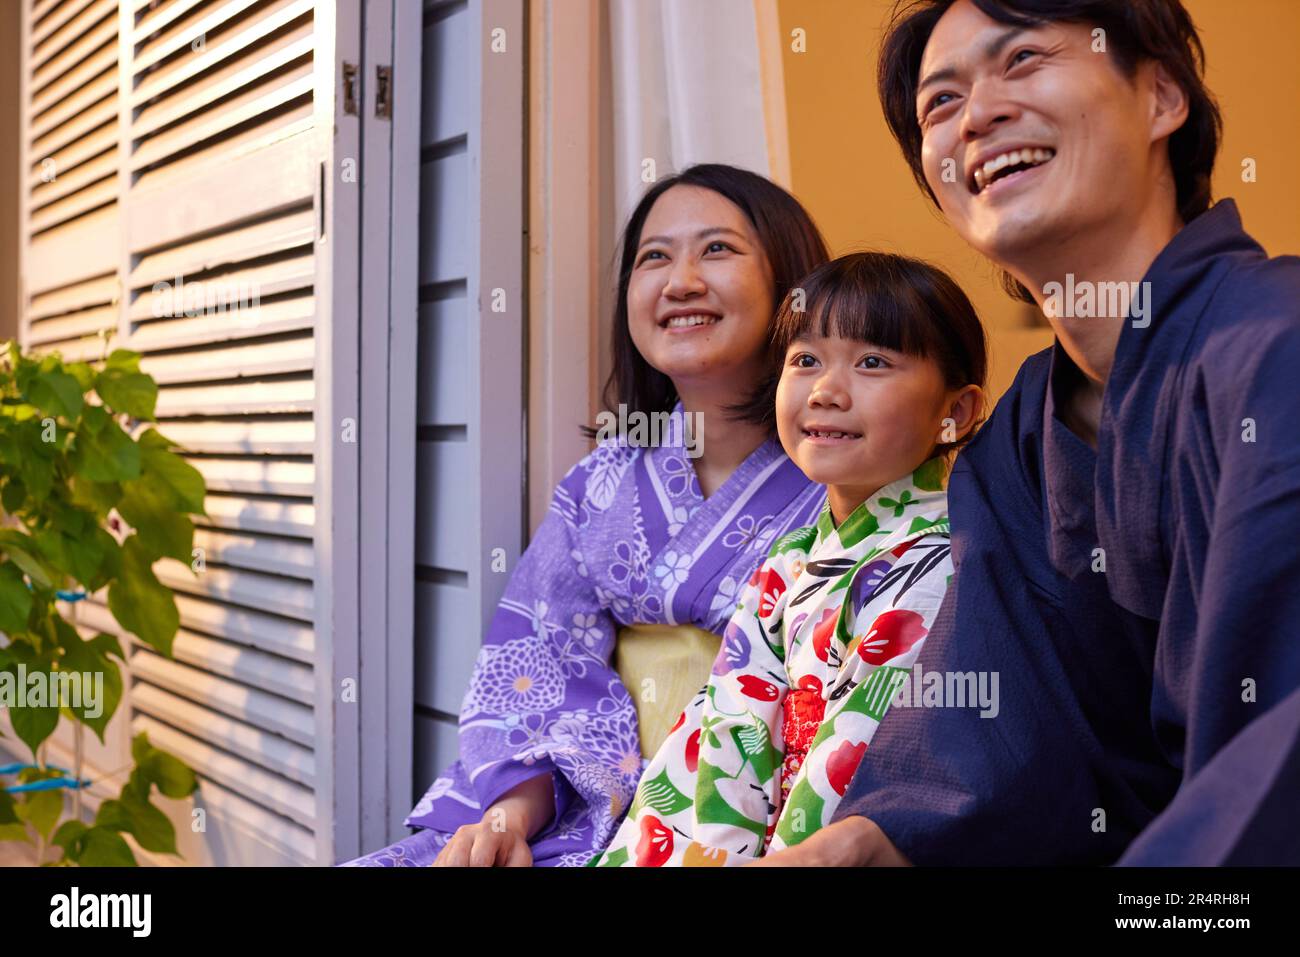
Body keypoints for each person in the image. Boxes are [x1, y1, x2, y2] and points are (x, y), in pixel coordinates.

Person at [754, 0, 1300, 867]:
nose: (976, 117)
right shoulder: (1019, 437)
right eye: (940, 103)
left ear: (1162, 98)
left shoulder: (1276, 347)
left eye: (1023, 61)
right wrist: (862, 841)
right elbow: (991, 728)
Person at [341, 165, 831, 867]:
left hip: (763, 826)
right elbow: (537, 670)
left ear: (794, 287)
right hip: (585, 818)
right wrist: (507, 819)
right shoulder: (601, 483)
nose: (681, 281)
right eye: (653, 257)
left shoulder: (847, 483)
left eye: (717, 249)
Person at [594, 252, 985, 865]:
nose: (826, 391)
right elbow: (727, 726)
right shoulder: (794, 556)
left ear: (955, 412)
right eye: (805, 360)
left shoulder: (934, 564)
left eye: (873, 362)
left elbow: (848, 770)